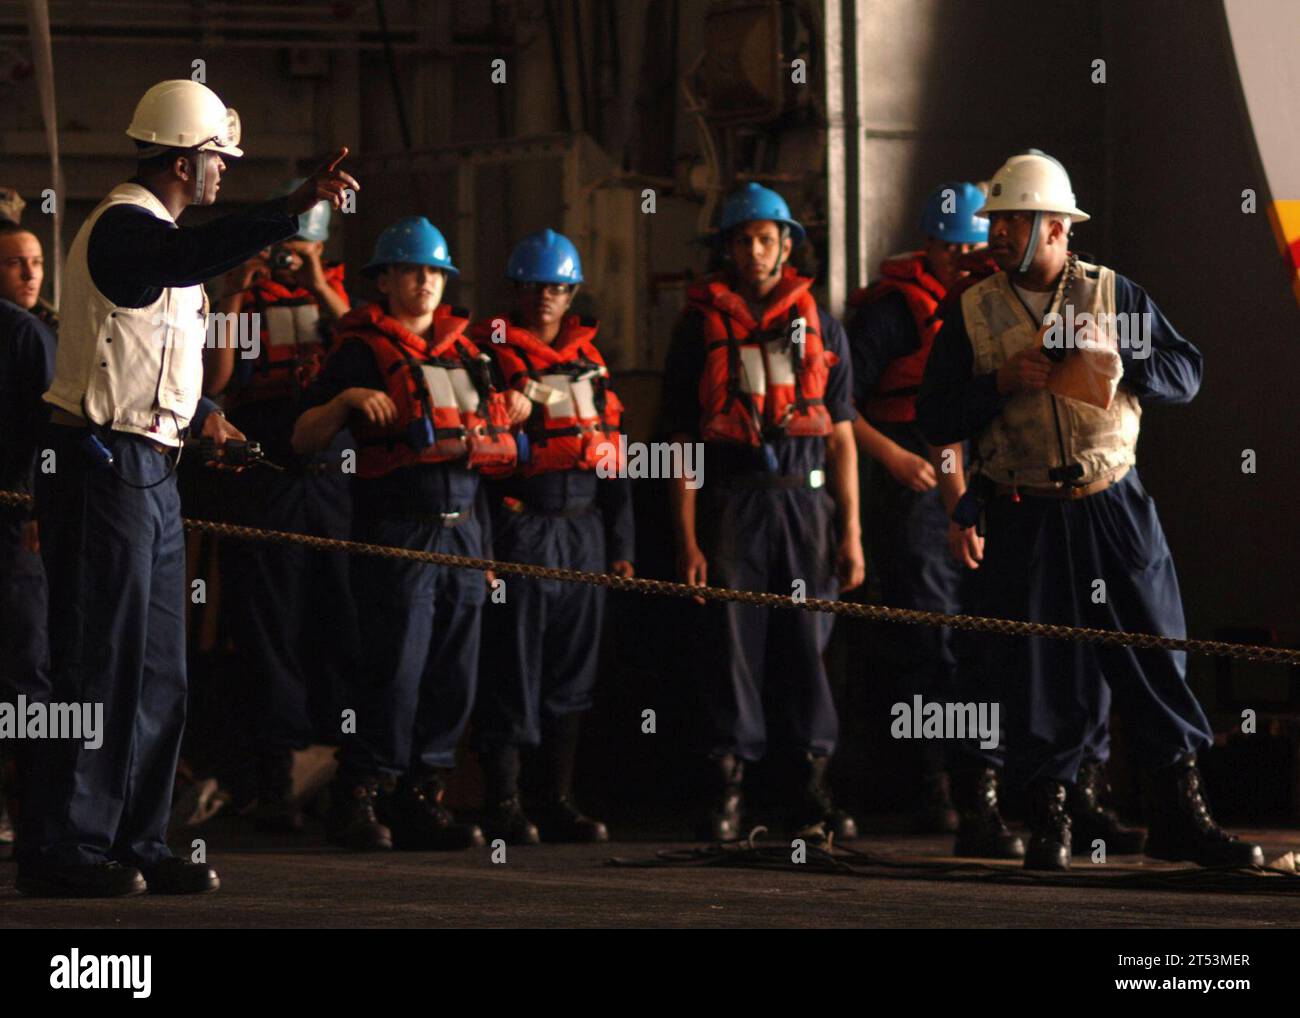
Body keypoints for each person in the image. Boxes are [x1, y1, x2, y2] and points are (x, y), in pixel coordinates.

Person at [16, 78, 358, 898]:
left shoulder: (160, 238)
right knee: (99, 664)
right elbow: (177, 262)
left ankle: (136, 839)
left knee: (160, 670)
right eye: (215, 160)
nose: (221, 174)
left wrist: (204, 412)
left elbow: (145, 349)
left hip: (154, 469)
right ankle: (63, 849)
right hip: (102, 467)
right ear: (181, 161)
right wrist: (289, 206)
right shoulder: (126, 231)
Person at [916, 150, 1263, 870]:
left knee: (1153, 653)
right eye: (996, 221)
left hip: (1113, 505)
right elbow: (934, 415)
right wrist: (1001, 382)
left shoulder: (1113, 295)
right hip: (1027, 510)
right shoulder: (971, 311)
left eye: (1012, 220)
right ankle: (1053, 818)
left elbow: (1186, 372)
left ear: (1054, 228)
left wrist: (1121, 361)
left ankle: (1180, 812)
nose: (997, 234)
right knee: (1042, 669)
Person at [293, 216, 528, 852]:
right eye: (411, 270)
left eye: (433, 272)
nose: (424, 282)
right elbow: (302, 435)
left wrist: (484, 549)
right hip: (397, 528)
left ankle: (424, 793)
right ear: (386, 280)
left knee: (455, 672)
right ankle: (362, 791)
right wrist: (344, 404)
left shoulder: (467, 351)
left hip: (464, 531)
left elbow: (492, 445)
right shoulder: (359, 350)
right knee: (394, 667)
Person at [662, 183, 865, 843]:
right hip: (734, 504)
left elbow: (840, 435)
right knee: (731, 646)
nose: (755, 250)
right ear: (726, 247)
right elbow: (682, 442)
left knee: (809, 645)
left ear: (786, 245)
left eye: (766, 238)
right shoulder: (696, 327)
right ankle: (729, 786)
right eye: (742, 239)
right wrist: (687, 540)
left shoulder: (823, 324)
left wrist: (852, 531)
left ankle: (809, 786)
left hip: (807, 505)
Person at [846, 182, 1007, 842]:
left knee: (983, 638)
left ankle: (986, 786)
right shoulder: (890, 315)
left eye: (974, 246)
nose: (962, 257)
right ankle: (934, 784)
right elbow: (835, 404)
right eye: (951, 246)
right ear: (929, 244)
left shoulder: (995, 306)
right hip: (915, 481)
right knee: (927, 640)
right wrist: (890, 457)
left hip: (975, 476)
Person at [470, 229, 634, 845]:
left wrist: (621, 548)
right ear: (517, 290)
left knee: (573, 667)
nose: (546, 297)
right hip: (521, 524)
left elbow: (617, 461)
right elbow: (479, 471)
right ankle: (504, 800)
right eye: (535, 286)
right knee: (513, 664)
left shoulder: (592, 364)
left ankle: (556, 797)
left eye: (558, 287)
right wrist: (486, 551)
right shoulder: (485, 357)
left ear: (572, 294)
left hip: (584, 531)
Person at [203, 185, 359, 832]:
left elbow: (364, 346)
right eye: (282, 247)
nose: (290, 259)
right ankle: (275, 779)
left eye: (303, 246)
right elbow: (212, 384)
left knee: (339, 625)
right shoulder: (240, 298)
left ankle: (341, 778)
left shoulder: (339, 300)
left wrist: (318, 280)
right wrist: (235, 290)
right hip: (264, 482)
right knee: (268, 629)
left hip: (330, 484)